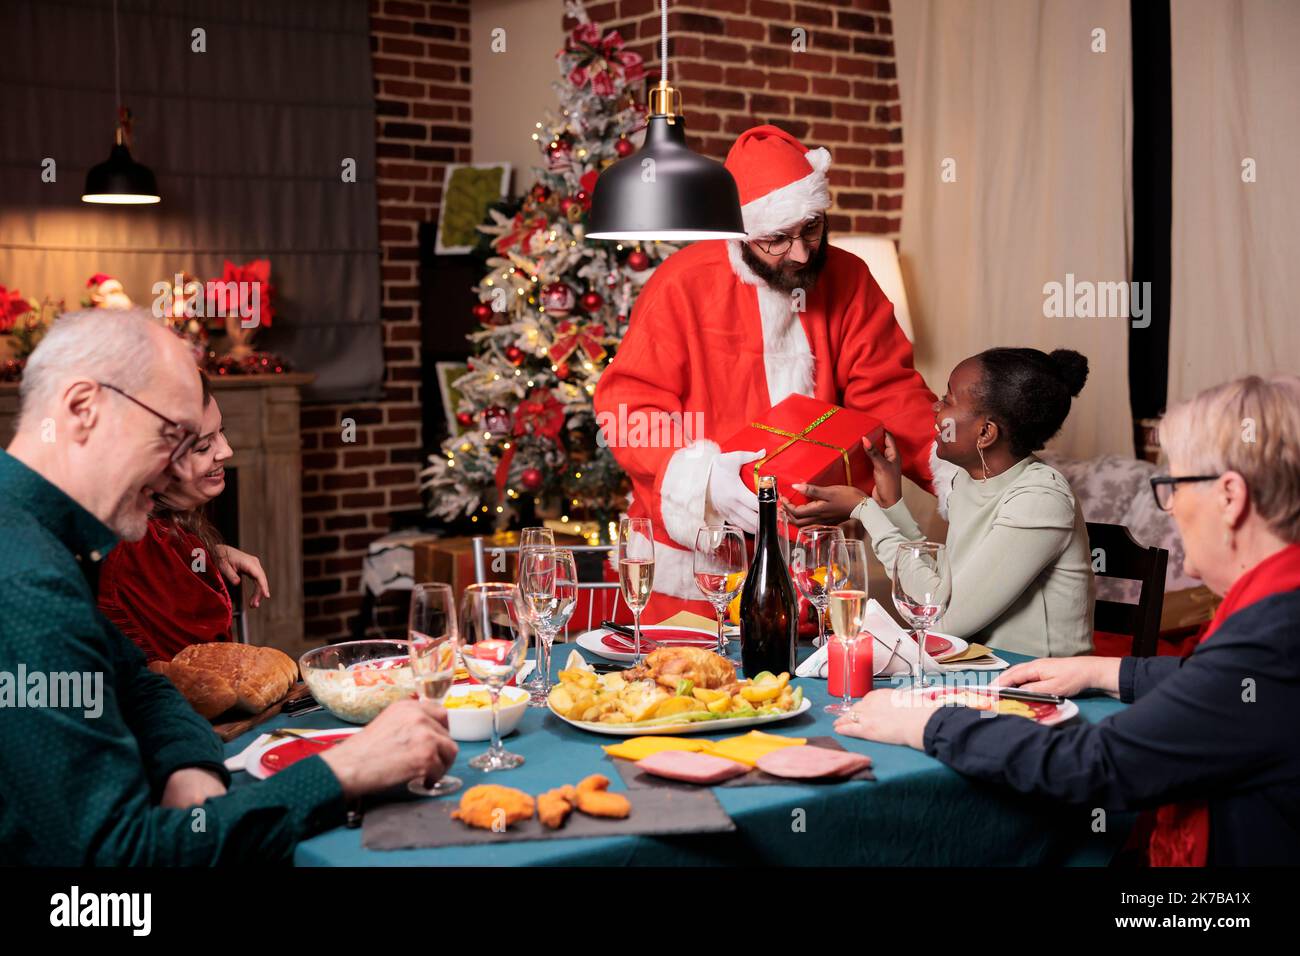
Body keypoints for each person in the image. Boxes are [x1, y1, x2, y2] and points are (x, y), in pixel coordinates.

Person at [0, 309, 458, 865]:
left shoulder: (45, 534)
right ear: (82, 409)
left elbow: (141, 686)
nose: (176, 470)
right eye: (173, 436)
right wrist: (345, 771)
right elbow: (120, 863)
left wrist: (189, 766)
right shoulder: (26, 582)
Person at [836, 374, 1300, 866]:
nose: (1172, 508)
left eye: (1173, 485)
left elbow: (1096, 764)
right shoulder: (1277, 617)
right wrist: (1106, 671)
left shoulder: (1271, 637)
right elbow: (1224, 685)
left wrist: (927, 722)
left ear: (1230, 497)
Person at [593, 125, 947, 620]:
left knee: (808, 691)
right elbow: (629, 409)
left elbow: (889, 394)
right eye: (777, 240)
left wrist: (959, 473)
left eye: (811, 229)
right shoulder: (681, 282)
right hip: (696, 562)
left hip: (810, 559)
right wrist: (706, 478)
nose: (800, 254)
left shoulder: (849, 279)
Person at [787, 347, 1095, 657]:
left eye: (947, 401)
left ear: (985, 432)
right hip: (980, 670)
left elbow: (942, 619)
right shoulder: (967, 482)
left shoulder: (1040, 499)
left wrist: (864, 510)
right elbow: (940, 588)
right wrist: (891, 503)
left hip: (1040, 685)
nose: (935, 409)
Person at [97, 370, 270, 663]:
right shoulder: (141, 546)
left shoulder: (149, 526)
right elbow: (206, 676)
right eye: (203, 446)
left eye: (221, 431)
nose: (226, 451)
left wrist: (209, 554)